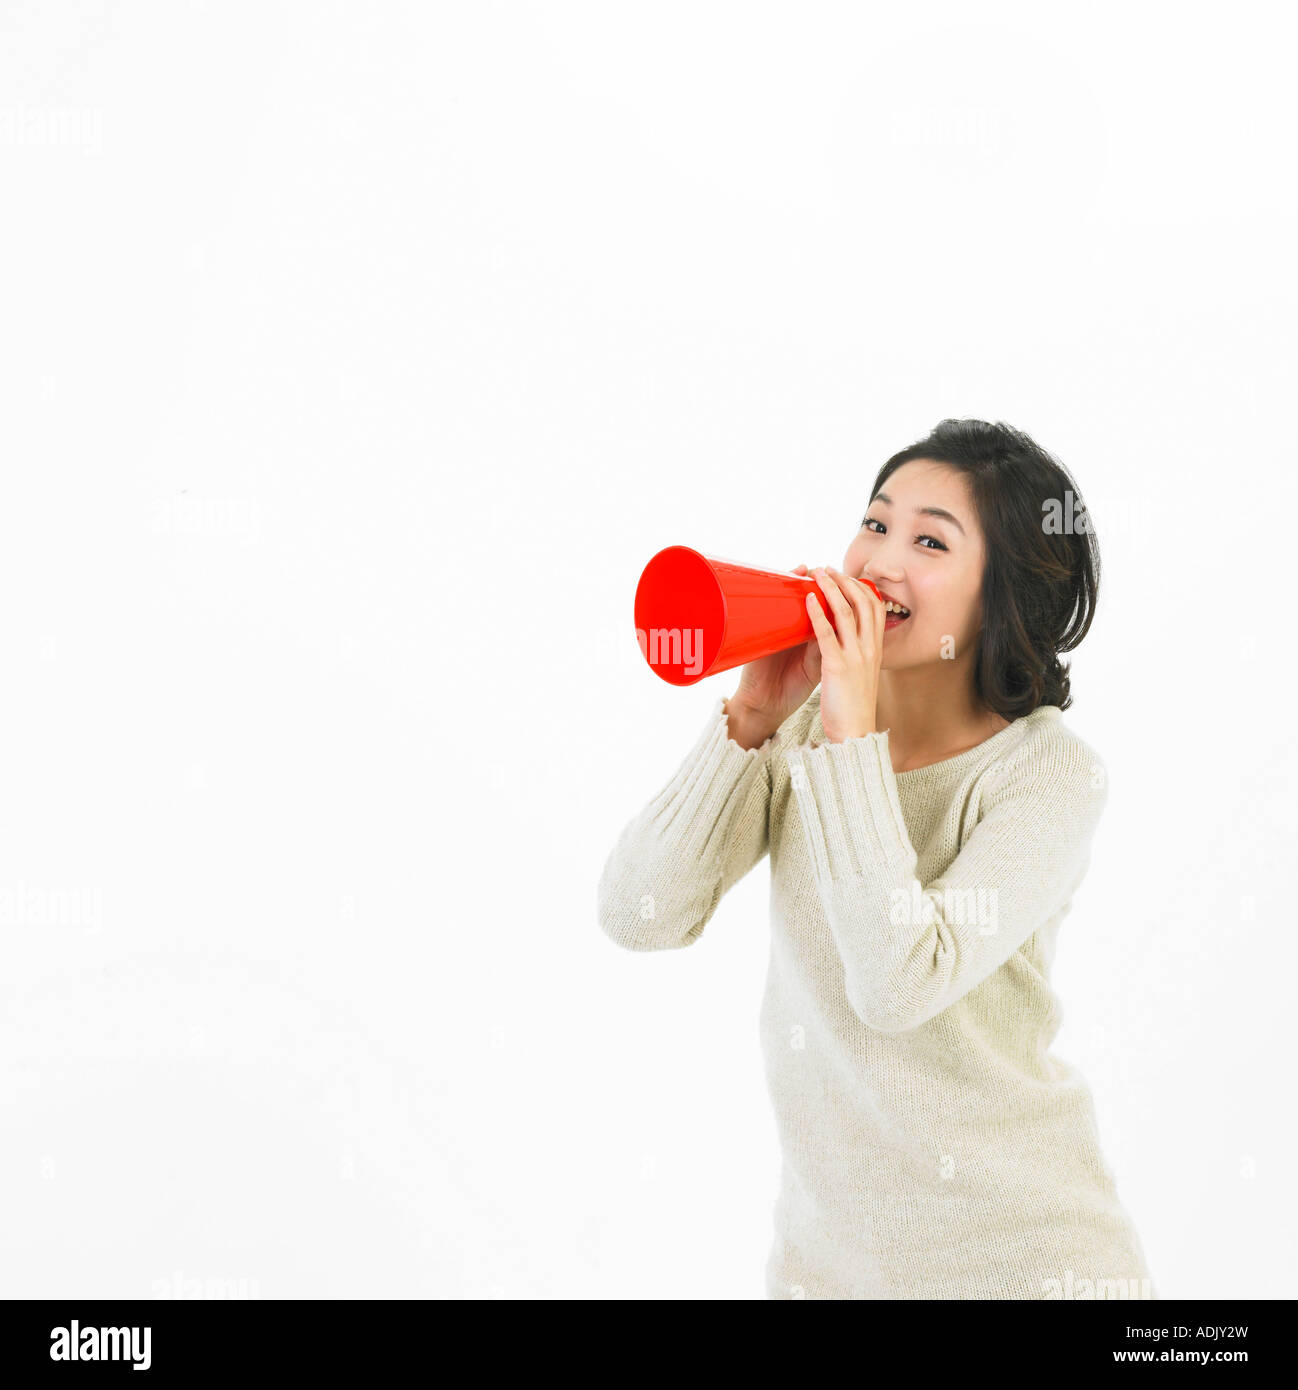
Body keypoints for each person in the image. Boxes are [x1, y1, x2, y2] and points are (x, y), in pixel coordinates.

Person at [596, 417, 1156, 1300]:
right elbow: (640, 916)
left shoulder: (1045, 776)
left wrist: (847, 733)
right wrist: (752, 718)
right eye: (875, 522)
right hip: (828, 1275)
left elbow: (896, 985)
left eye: (931, 540)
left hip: (1027, 1269)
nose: (880, 561)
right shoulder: (800, 731)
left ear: (1000, 599)